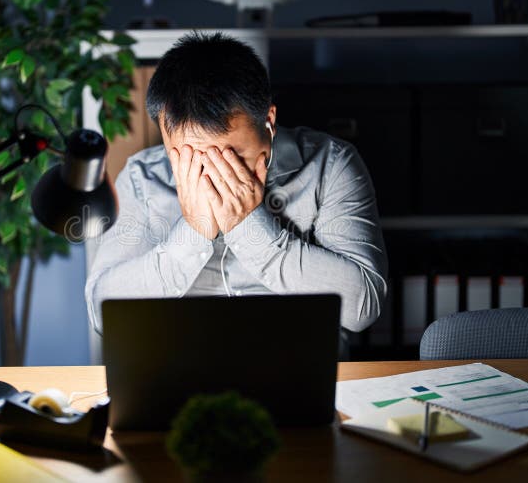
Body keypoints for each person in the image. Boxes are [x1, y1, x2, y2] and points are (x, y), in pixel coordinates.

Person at [84, 32, 388, 353]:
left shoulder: (331, 164)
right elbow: (101, 311)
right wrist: (193, 231)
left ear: (268, 121)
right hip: (178, 363)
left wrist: (247, 224)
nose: (214, 179)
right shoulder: (142, 176)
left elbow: (362, 306)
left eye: (230, 157)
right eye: (191, 159)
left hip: (296, 360)